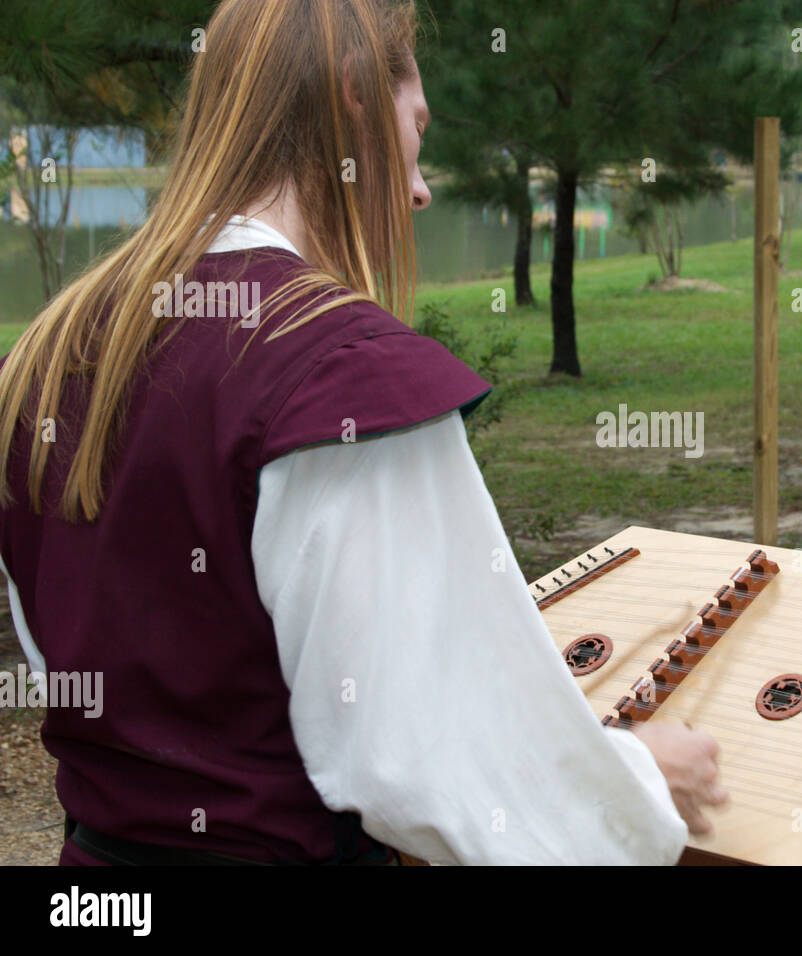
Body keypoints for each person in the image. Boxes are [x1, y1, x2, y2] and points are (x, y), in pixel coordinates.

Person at [0, 0, 726, 866]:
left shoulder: (53, 350)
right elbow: (429, 767)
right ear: (354, 97)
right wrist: (642, 779)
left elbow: (73, 667)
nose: (420, 189)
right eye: (417, 128)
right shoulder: (338, 370)